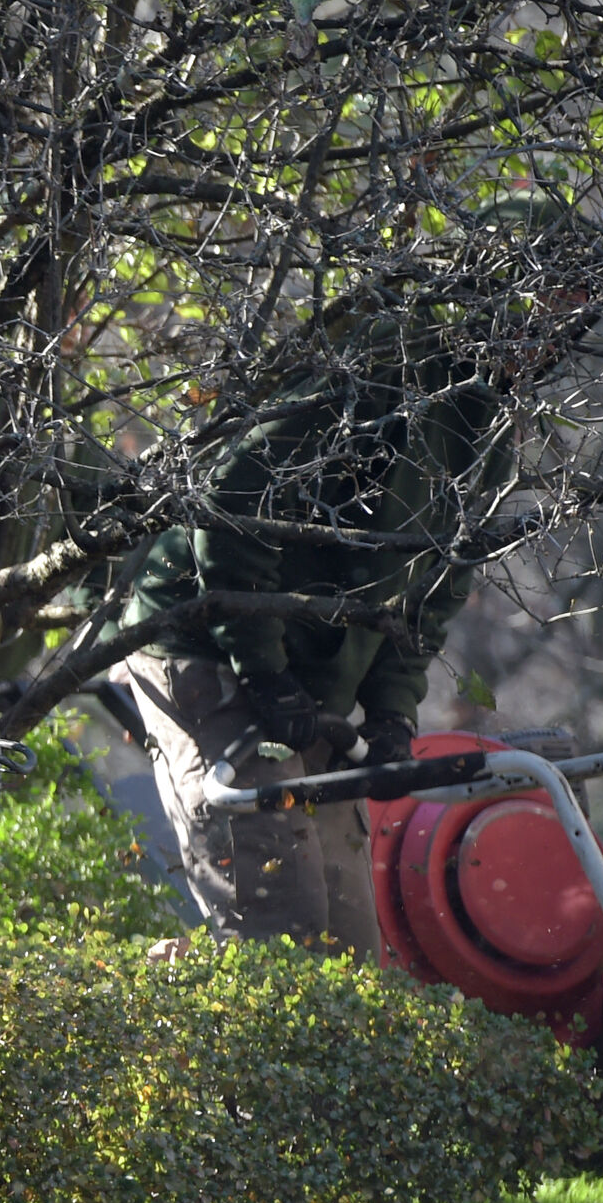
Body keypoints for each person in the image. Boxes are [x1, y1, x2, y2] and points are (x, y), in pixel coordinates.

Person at [113, 352, 508, 954]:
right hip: (204, 639)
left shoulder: (495, 419)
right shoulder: (388, 356)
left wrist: (391, 711)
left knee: (347, 948)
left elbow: (435, 589)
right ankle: (150, 1025)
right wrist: (264, 672)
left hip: (307, 676)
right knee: (282, 927)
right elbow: (231, 498)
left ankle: (180, 1007)